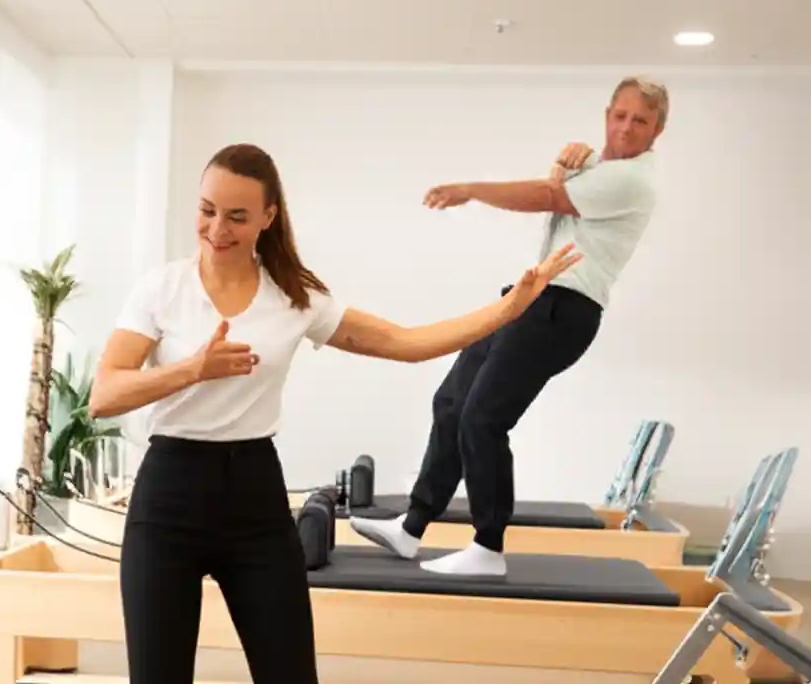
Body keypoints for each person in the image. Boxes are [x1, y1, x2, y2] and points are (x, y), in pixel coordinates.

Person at [87, 143, 582, 683]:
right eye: (207, 210)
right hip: (168, 500)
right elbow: (105, 395)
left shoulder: (296, 297)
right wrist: (192, 370)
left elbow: (404, 341)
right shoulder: (162, 289)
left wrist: (506, 311)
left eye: (236, 216)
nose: (216, 229)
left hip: (254, 497)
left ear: (268, 218)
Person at [349, 75, 668, 578]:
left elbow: (547, 196)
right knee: (452, 403)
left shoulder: (632, 179)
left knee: (483, 418)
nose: (627, 127)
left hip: (563, 307)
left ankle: (488, 547)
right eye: (621, 115)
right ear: (607, 114)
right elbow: (558, 189)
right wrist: (569, 164)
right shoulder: (601, 169)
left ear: (657, 131)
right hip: (533, 296)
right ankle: (411, 528)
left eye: (641, 121)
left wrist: (471, 190)